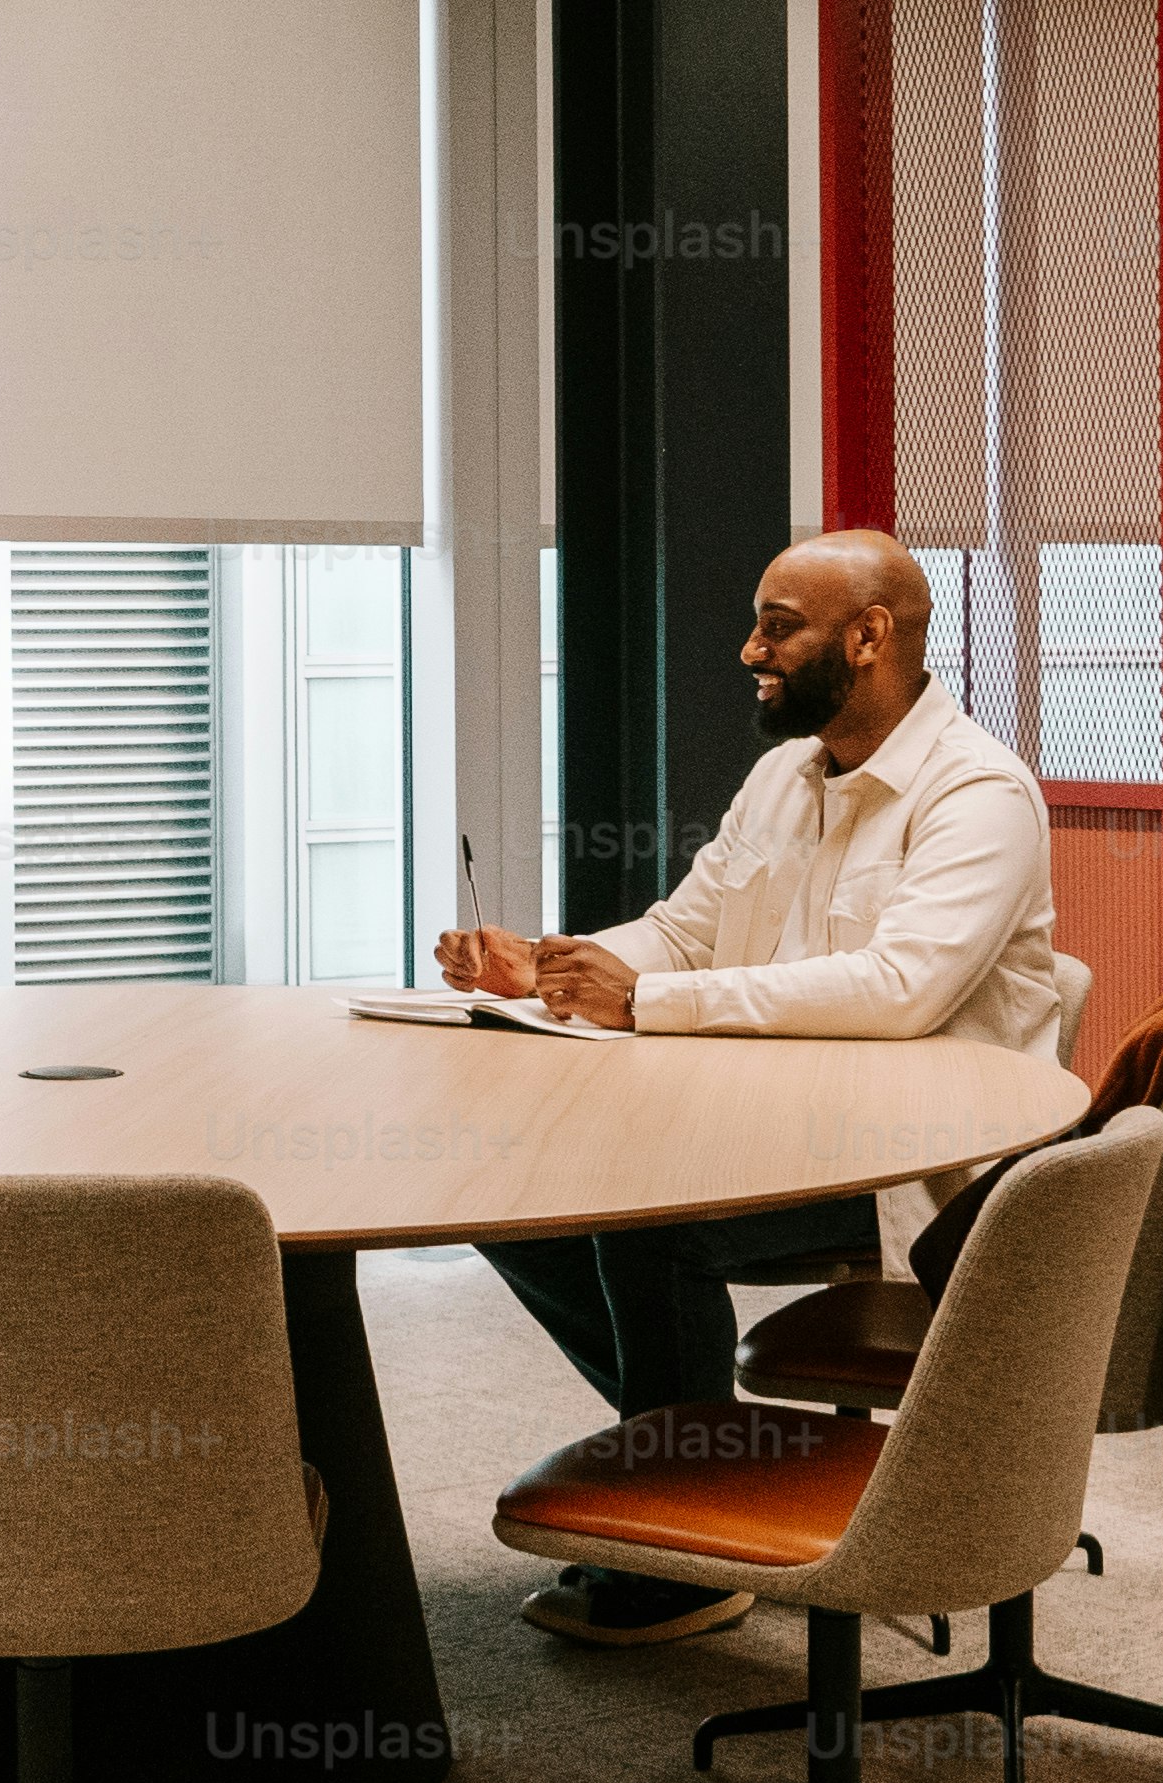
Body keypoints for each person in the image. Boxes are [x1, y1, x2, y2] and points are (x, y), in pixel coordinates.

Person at [436, 530, 1072, 1646]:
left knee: (649, 1228)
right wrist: (553, 966)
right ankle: (715, 1467)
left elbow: (898, 989)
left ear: (868, 637)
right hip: (776, 1131)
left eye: (778, 625)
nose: (748, 649)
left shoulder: (979, 795)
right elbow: (684, 933)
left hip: (914, 1161)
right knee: (514, 1195)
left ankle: (686, 1544)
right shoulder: (785, 774)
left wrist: (650, 1002)